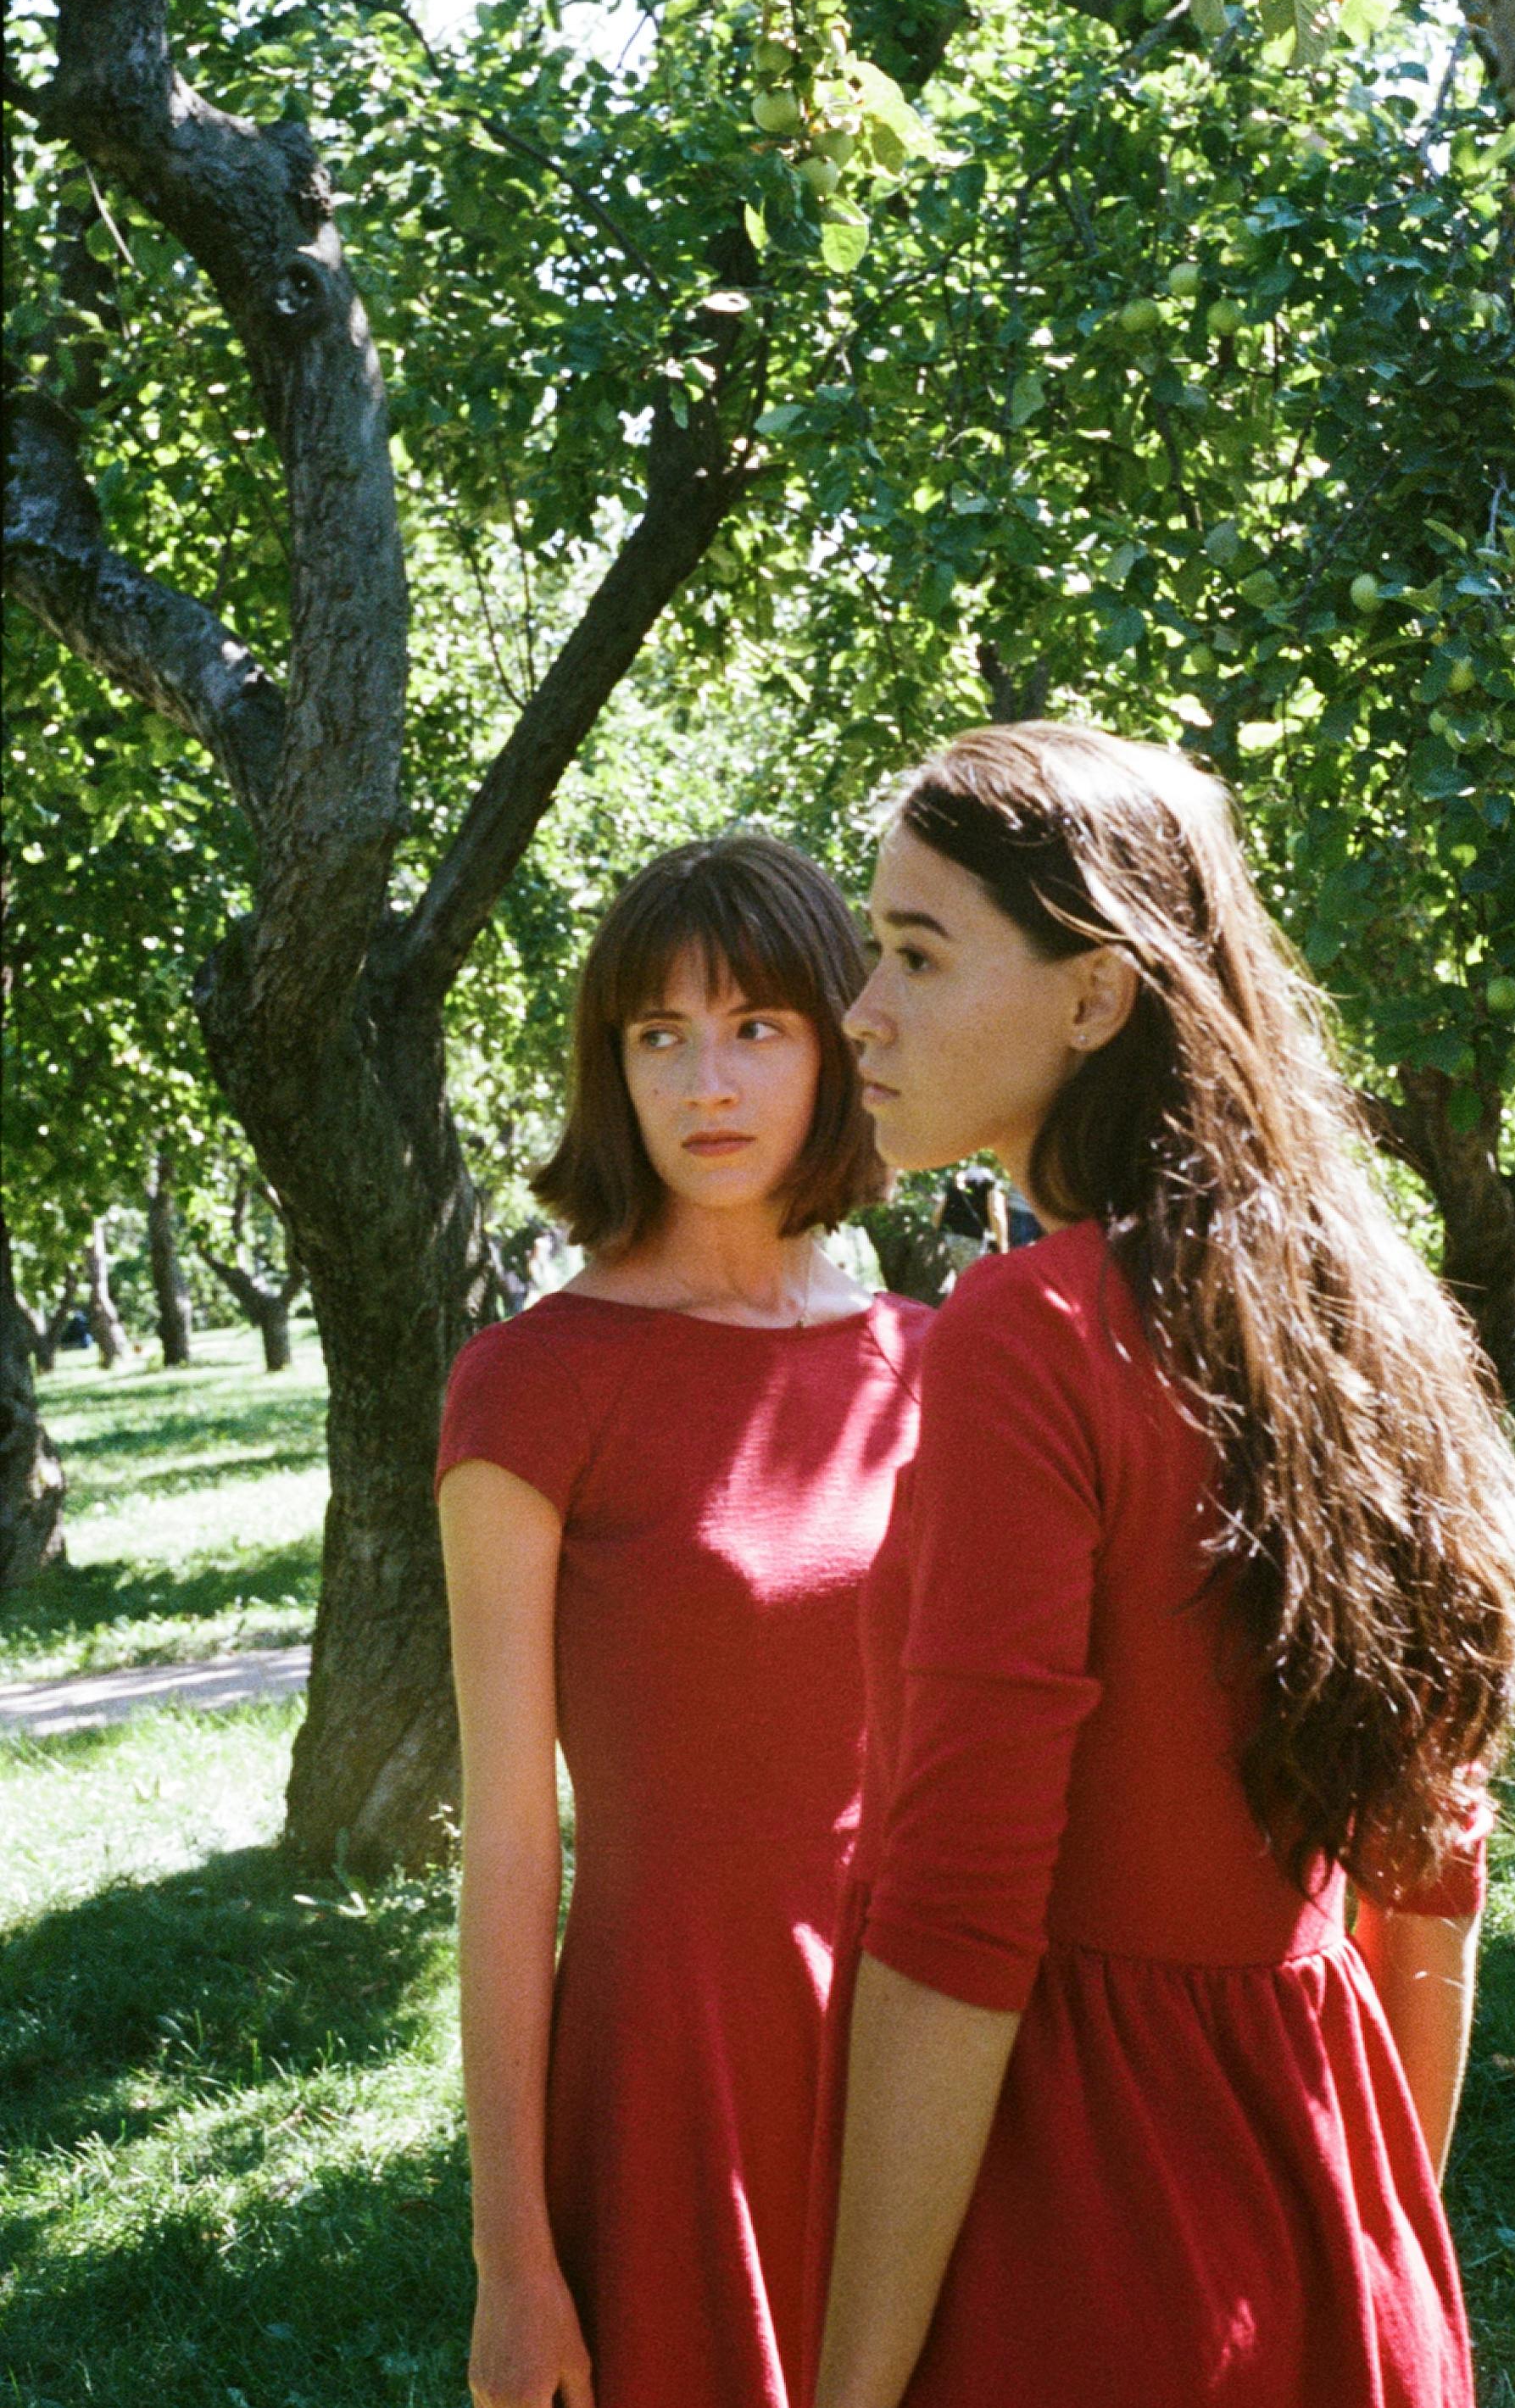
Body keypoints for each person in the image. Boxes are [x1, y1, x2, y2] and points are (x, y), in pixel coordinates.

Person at [810, 725, 1515, 2408]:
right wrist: (1381, 2238)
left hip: (1078, 2242)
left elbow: (958, 1915)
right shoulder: (1359, 1320)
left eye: (918, 953)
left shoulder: (1025, 1338)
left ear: (1094, 999)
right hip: (1336, 2222)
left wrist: (850, 2385)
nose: (862, 1009)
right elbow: (1433, 1867)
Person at [436, 833, 933, 2408]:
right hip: (675, 2070)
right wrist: (511, 2265)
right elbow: (513, 1848)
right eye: (657, 1035)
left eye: (754, 1027)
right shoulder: (531, 1382)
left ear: (837, 1044)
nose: (701, 1082)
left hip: (931, 2037)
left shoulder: (939, 1364)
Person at [929, 1163, 1007, 1282]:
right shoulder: (990, 1185)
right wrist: (1003, 1247)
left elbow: (937, 1213)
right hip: (972, 1241)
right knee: (973, 1283)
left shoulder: (956, 1186)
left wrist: (936, 1233)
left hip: (946, 1239)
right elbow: (996, 1213)